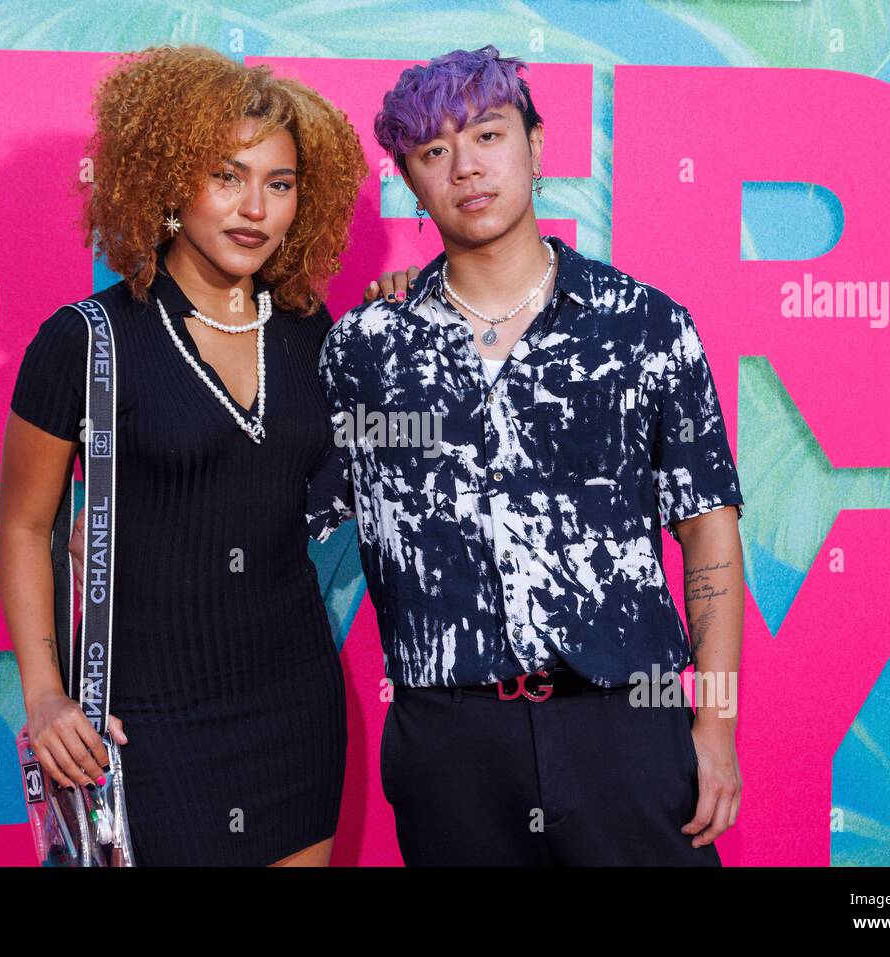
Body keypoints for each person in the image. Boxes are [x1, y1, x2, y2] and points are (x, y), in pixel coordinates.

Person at [306, 44, 747, 866]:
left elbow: (709, 535)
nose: (466, 167)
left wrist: (714, 720)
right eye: (434, 151)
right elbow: (287, 526)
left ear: (537, 146)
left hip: (624, 722)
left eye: (487, 135)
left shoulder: (644, 326)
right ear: (409, 177)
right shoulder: (366, 348)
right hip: (450, 744)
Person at [0, 43, 370, 866]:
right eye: (227, 176)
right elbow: (25, 528)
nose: (254, 208)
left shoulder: (315, 335)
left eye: (280, 184)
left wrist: (405, 327)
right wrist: (47, 692)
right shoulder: (86, 341)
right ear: (168, 182)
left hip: (294, 709)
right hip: (145, 724)